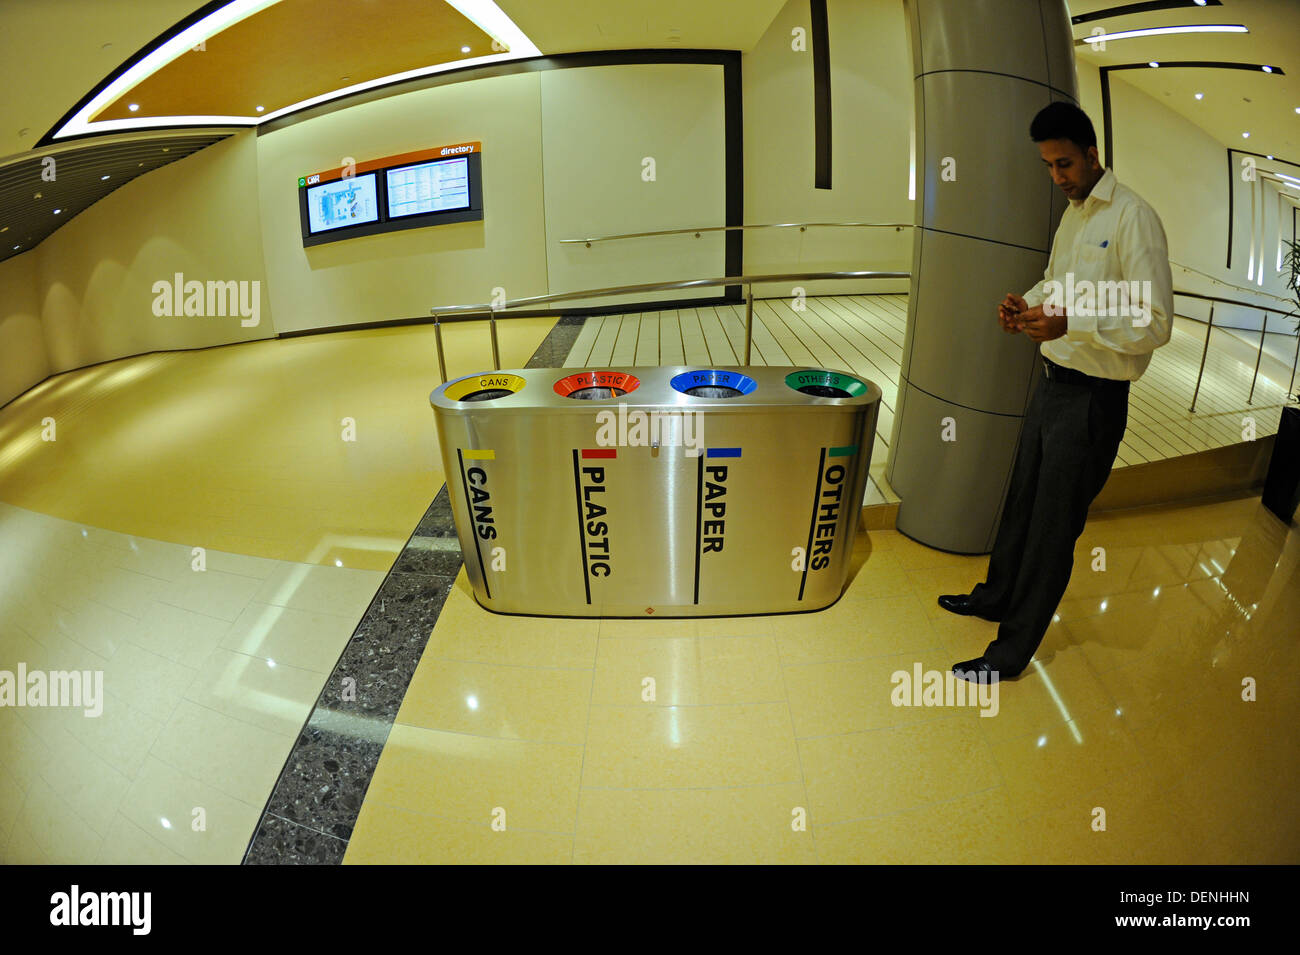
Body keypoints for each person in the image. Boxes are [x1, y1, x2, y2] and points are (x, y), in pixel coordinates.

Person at [943, 101, 1174, 682]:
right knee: (1022, 503)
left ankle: (1009, 653)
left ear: (1093, 154)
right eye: (1048, 166)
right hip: (1050, 384)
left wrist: (1074, 322)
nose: (1058, 177)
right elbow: (1058, 280)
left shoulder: (1132, 217)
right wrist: (1026, 301)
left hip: (1093, 400)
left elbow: (1155, 321)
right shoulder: (1074, 214)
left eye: (1065, 163)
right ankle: (996, 596)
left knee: (1052, 527)